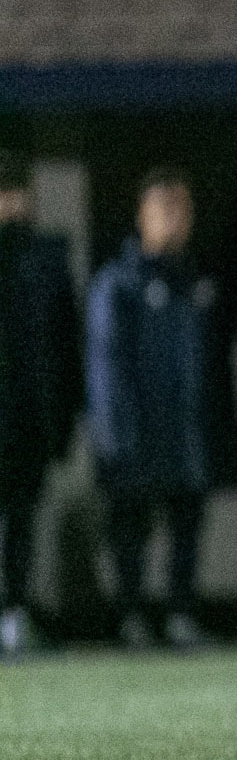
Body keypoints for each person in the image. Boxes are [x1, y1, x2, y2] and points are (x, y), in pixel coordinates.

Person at [86, 168, 231, 650]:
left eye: (181, 208)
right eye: (163, 207)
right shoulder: (118, 283)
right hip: (136, 434)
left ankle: (180, 615)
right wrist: (115, 436)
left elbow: (215, 366)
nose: (173, 219)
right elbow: (107, 366)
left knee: (187, 530)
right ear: (141, 214)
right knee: (130, 531)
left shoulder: (199, 282)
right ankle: (131, 616)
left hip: (187, 431)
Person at [0, 150, 81, 660]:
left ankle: (14, 614)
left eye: (14, 192)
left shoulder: (46, 258)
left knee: (22, 522)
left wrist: (66, 417)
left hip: (27, 418)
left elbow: (66, 344)